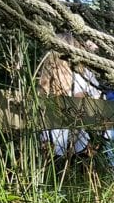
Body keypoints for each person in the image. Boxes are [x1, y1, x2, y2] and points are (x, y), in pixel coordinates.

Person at [38, 33, 102, 164]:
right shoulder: (82, 74)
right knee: (82, 162)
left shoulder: (47, 73)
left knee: (52, 165)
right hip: (78, 137)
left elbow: (41, 101)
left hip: (52, 136)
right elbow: (97, 97)